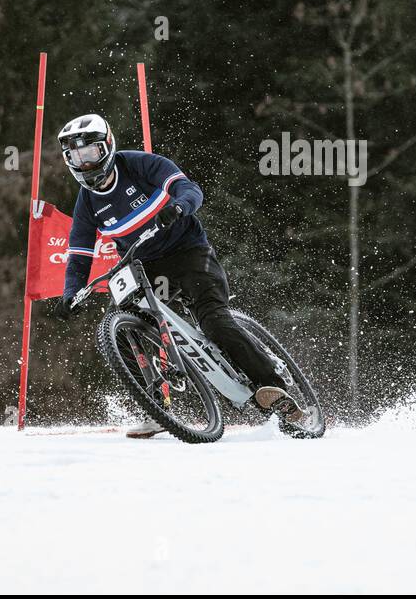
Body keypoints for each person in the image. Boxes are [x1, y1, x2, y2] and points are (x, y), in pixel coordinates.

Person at [46, 113, 301, 436]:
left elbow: (189, 189)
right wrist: (71, 294)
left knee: (214, 321)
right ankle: (154, 407)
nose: (85, 164)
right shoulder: (87, 204)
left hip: (188, 251)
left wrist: (179, 206)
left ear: (107, 147)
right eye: (76, 157)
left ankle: (274, 385)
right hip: (144, 267)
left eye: (90, 153)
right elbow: (79, 256)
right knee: (122, 325)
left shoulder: (140, 165)